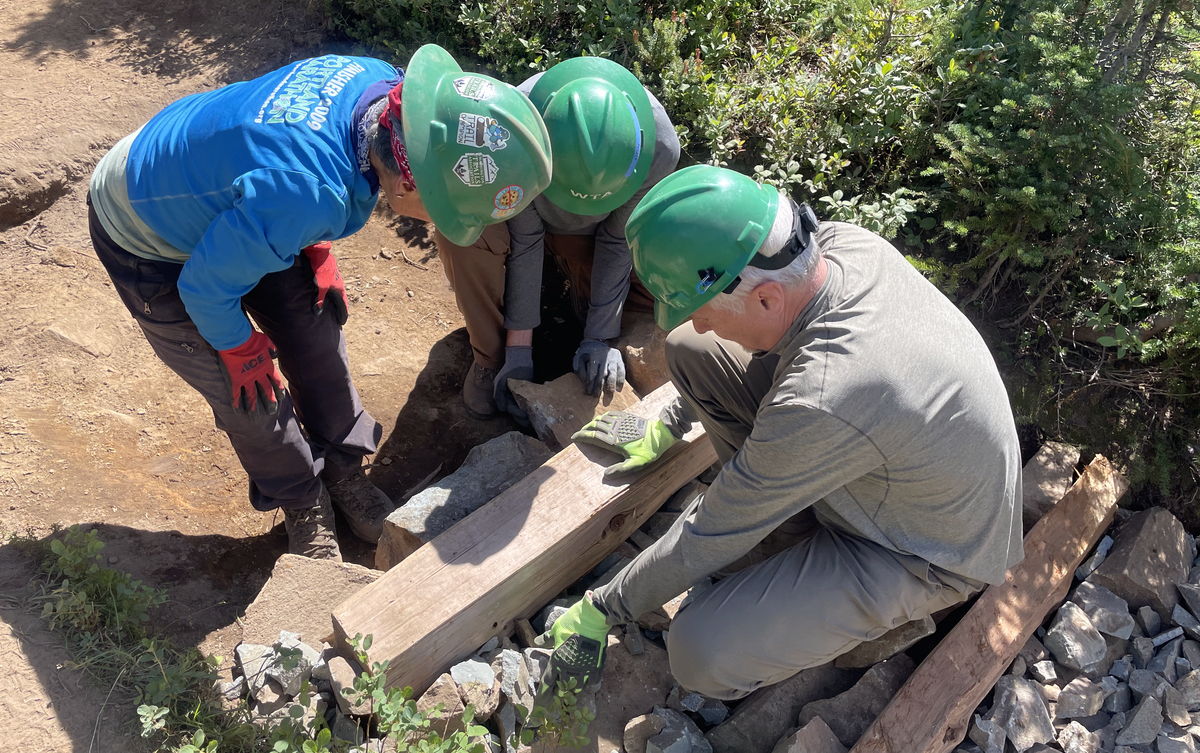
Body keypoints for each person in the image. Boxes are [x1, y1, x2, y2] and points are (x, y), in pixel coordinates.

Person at [540, 165, 1024, 700]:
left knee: (700, 653)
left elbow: (712, 529)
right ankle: (782, 531)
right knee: (691, 351)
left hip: (921, 547)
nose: (699, 321)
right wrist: (669, 426)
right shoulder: (837, 246)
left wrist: (603, 606)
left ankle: (826, 579)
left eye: (704, 309)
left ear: (768, 298)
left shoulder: (825, 394)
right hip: (898, 463)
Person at [87, 45, 552, 561]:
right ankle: (304, 502)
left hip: (240, 190)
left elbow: (294, 154)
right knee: (248, 389)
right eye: (440, 210)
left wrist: (313, 241)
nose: (434, 223)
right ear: (406, 181)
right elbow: (204, 288)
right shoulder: (308, 192)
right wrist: (241, 349)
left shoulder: (382, 90)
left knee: (315, 331)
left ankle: (343, 471)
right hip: (145, 226)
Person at [435, 57, 680, 421]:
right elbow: (526, 236)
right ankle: (491, 357)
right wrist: (518, 350)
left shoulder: (657, 147)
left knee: (668, 252)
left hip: (596, 237)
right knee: (463, 230)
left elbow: (617, 240)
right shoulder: (513, 129)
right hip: (529, 225)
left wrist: (600, 336)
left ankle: (583, 309)